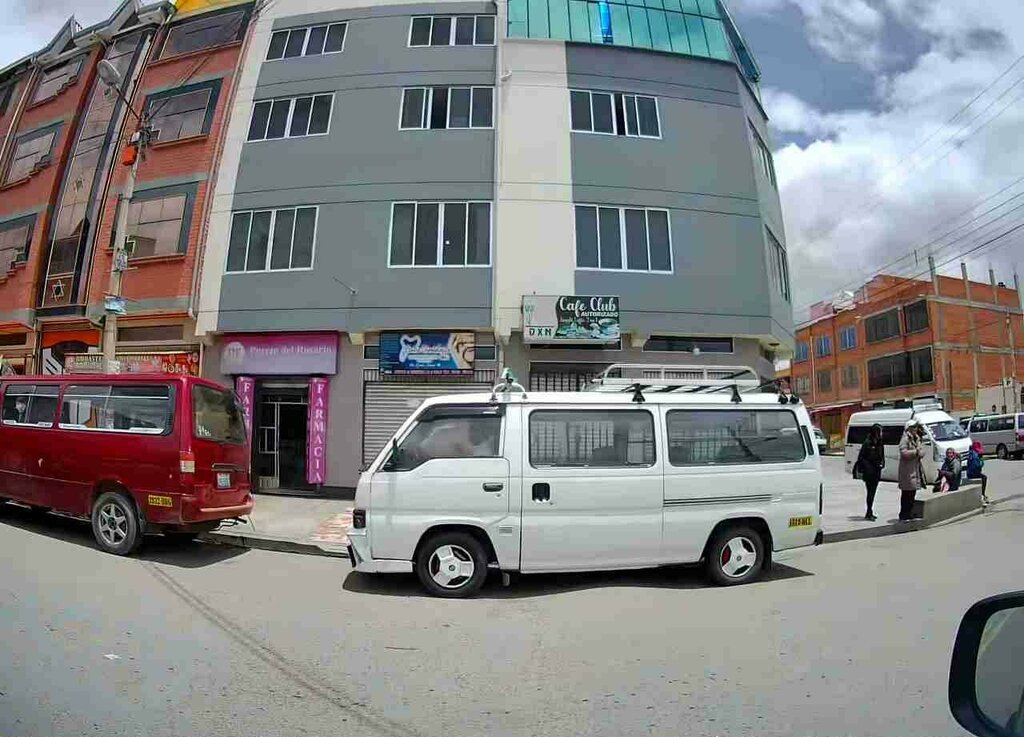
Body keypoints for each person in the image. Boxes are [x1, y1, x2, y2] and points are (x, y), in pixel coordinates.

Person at [897, 419, 926, 522]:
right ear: (909, 428)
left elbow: (922, 450)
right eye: (914, 427)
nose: (916, 429)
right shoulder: (905, 439)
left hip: (915, 469)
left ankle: (909, 513)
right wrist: (915, 452)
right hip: (907, 470)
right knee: (906, 493)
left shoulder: (917, 438)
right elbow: (903, 452)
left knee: (912, 493)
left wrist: (919, 452)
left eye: (916, 427)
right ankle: (903, 514)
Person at [855, 424, 885, 521]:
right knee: (870, 492)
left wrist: (882, 464)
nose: (881, 433)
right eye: (880, 431)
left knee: (873, 492)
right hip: (869, 472)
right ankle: (869, 511)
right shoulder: (867, 443)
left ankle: (870, 511)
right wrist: (868, 468)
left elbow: (882, 455)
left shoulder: (880, 442)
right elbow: (861, 458)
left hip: (877, 471)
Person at [966, 440, 989, 507]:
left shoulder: (971, 453)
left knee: (983, 477)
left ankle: (983, 495)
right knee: (984, 478)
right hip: (973, 473)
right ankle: (982, 494)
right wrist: (981, 461)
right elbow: (977, 465)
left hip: (970, 472)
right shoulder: (974, 455)